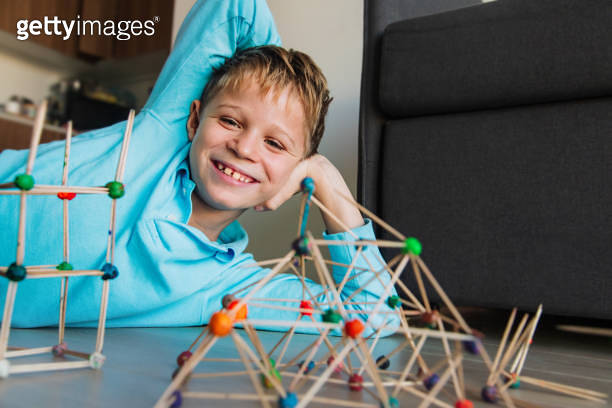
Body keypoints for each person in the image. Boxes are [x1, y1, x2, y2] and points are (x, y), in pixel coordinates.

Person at [0, 0, 399, 336]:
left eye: (275, 144)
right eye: (230, 121)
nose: (243, 147)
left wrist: (326, 179)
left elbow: (375, 315)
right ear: (194, 121)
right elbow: (237, 6)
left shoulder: (226, 284)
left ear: (296, 171)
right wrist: (273, 76)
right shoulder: (159, 137)